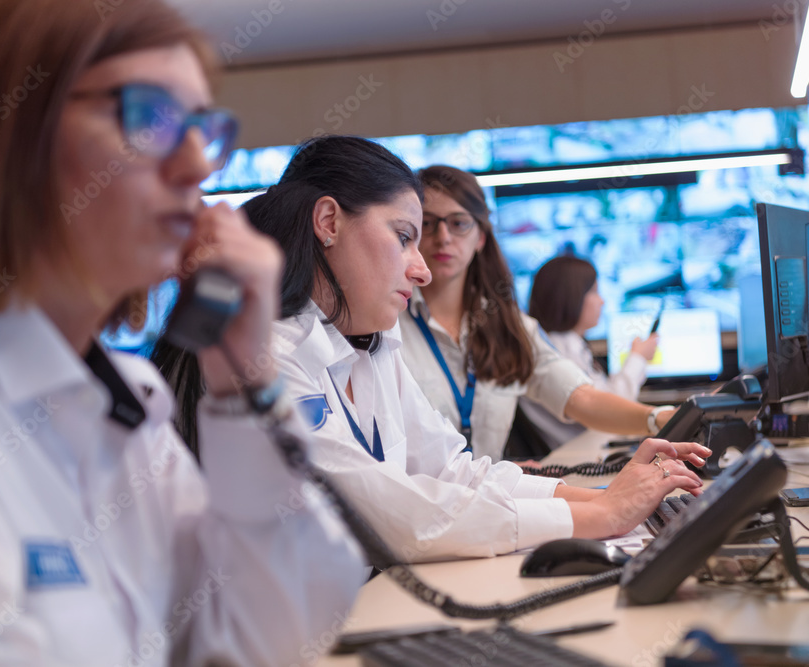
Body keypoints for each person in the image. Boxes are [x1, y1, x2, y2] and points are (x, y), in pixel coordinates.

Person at [0, 1, 363, 665]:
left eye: (200, 129)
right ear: (11, 136)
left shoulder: (128, 402)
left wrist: (245, 387)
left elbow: (279, 631)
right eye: (150, 118)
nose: (197, 166)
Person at [155, 136, 709, 565]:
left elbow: (453, 471)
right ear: (328, 223)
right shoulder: (266, 358)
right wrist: (602, 514)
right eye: (404, 237)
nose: (421, 269)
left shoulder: (372, 347)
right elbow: (394, 518)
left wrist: (606, 497)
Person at [400, 165, 672, 462]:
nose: (443, 237)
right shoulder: (386, 323)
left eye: (459, 223)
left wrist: (659, 418)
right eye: (428, 223)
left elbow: (583, 399)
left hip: (487, 488)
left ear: (480, 238)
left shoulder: (509, 327)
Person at [529, 256, 658, 400]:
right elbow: (611, 405)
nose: (602, 301)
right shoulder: (562, 350)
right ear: (570, 296)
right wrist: (638, 357)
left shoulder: (566, 344)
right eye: (594, 291)